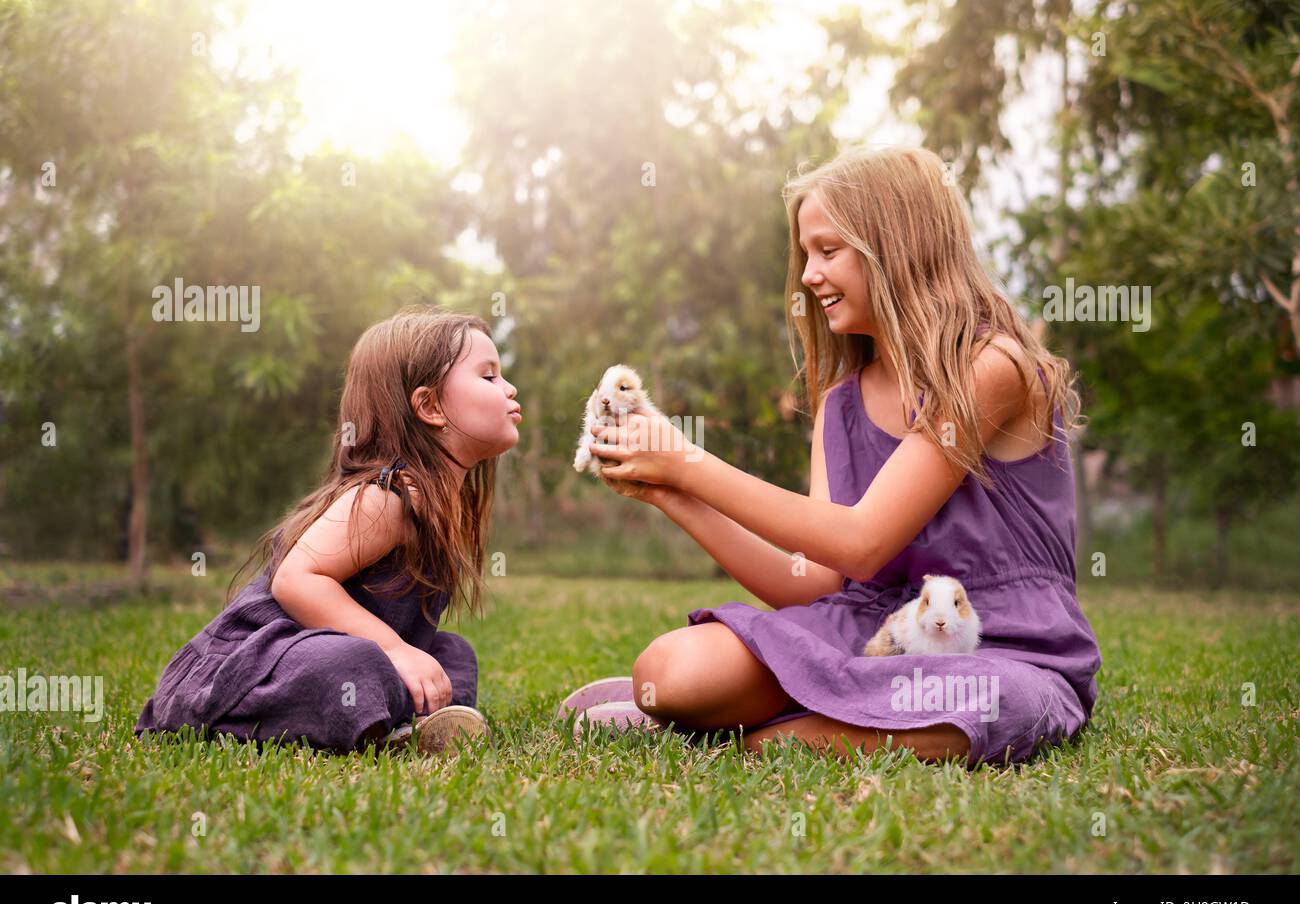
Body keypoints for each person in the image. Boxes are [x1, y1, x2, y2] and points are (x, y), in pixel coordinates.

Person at [562, 145, 1101, 767]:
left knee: (992, 700)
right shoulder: (841, 403)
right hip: (871, 635)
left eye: (828, 251)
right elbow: (817, 581)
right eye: (806, 255)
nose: (809, 276)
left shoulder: (992, 369)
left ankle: (764, 734)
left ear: (898, 247)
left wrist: (689, 462)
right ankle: (799, 716)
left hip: (999, 641)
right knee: (671, 670)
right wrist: (671, 493)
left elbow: (863, 540)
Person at [136, 306, 522, 755]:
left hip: (321, 658)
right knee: (357, 663)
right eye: (489, 377)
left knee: (451, 655)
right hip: (239, 673)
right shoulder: (385, 498)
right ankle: (382, 724)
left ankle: (397, 728)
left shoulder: (437, 502)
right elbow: (296, 580)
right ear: (430, 406)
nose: (510, 388)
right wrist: (395, 650)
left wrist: (402, 652)